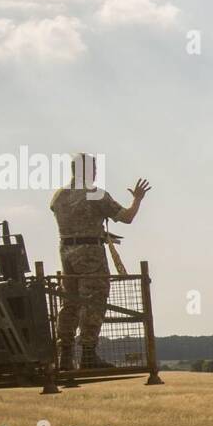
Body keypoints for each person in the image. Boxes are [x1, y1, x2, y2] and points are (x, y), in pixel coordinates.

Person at [49, 153, 150, 370]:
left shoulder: (59, 196)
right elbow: (127, 217)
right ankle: (87, 354)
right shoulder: (95, 194)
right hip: (90, 253)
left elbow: (72, 221)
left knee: (70, 302)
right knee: (94, 300)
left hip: (66, 251)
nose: (95, 173)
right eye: (93, 169)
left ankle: (65, 356)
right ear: (87, 171)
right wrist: (138, 199)